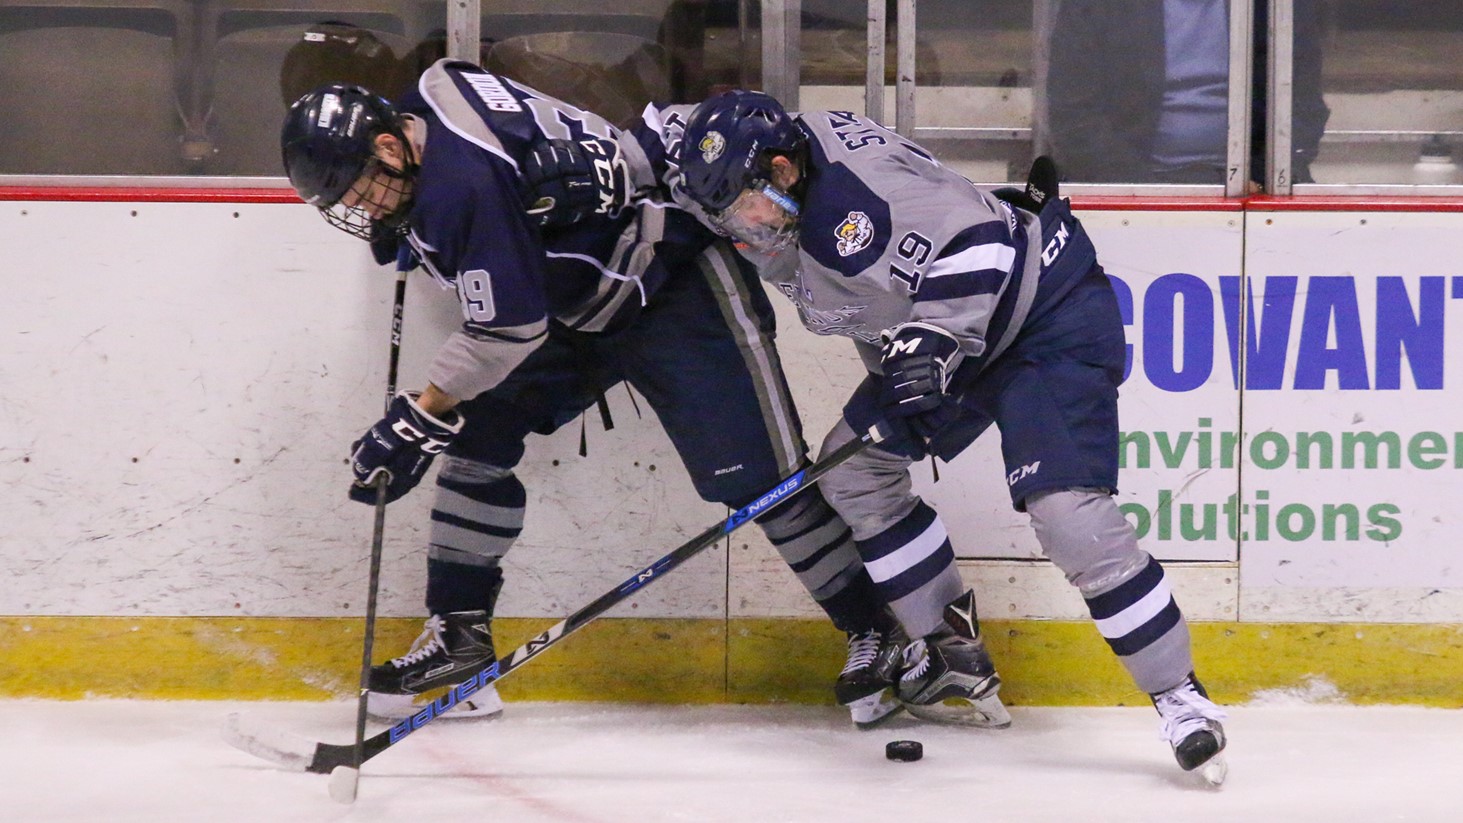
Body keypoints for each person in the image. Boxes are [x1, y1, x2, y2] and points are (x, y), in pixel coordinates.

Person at [278, 61, 907, 729]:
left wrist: (419, 414)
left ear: (386, 146)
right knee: (479, 436)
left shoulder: (461, 187)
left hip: (674, 286)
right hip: (576, 303)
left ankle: (876, 630)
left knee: (763, 479)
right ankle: (458, 636)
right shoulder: (431, 95)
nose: (361, 207)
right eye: (347, 202)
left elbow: (505, 329)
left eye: (361, 189)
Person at [661, 89, 1228, 781]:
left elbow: (979, 242)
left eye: (743, 206)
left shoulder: (850, 206)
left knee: (1066, 515)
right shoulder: (772, 165)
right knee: (855, 473)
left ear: (782, 171)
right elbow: (675, 140)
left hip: (1039, 320)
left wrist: (930, 339)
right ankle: (948, 655)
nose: (739, 227)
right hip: (947, 336)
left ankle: (1180, 698)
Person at [1045, 0, 1329, 187]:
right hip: (1131, 184)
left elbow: (1302, 107)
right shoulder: (1100, 5)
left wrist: (1262, 176)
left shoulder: (1274, 6)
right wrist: (1142, 188)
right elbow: (1073, 117)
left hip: (1254, 186)